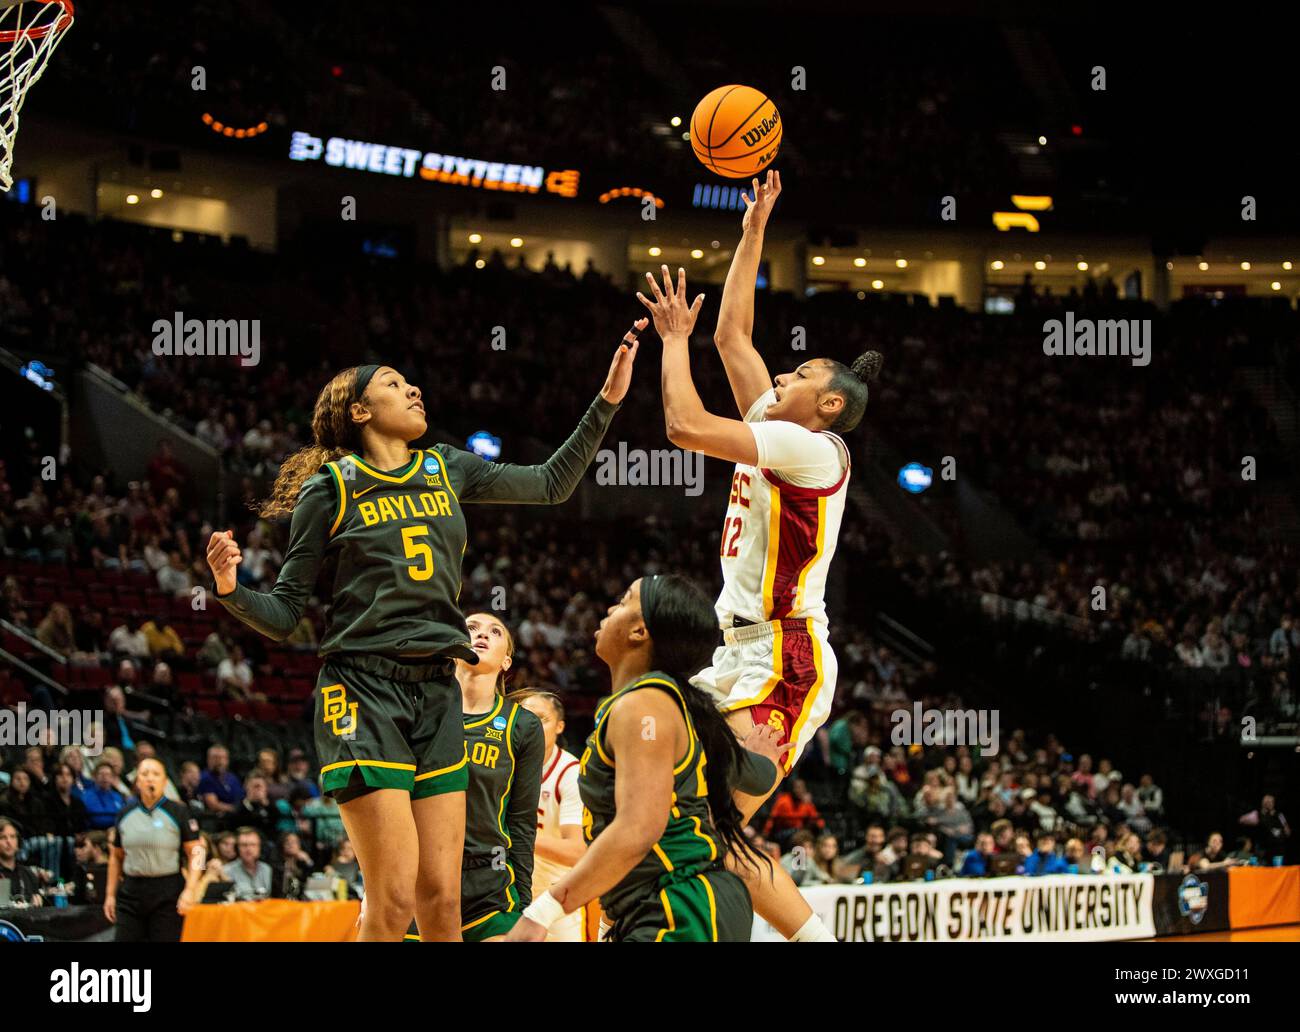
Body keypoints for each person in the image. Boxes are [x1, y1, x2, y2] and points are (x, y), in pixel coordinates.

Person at [209, 344, 638, 941]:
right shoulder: (331, 488)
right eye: (393, 383)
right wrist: (230, 587)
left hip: (436, 690)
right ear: (359, 411)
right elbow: (284, 614)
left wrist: (608, 400)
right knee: (391, 901)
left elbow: (550, 484)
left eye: (411, 383)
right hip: (363, 690)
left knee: (442, 897)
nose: (413, 390)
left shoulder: (447, 467)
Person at [636, 172, 881, 941]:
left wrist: (669, 342)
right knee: (678, 815)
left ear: (829, 404)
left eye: (799, 375)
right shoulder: (778, 425)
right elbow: (734, 339)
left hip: (787, 655)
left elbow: (681, 425)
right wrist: (753, 228)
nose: (780, 375)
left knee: (709, 831)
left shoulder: (810, 449)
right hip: (732, 650)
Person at [506, 575, 786, 942]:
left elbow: (639, 827)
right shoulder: (680, 707)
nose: (609, 608)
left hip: (679, 908)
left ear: (639, 631)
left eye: (623, 601)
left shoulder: (644, 706)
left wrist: (541, 913)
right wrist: (762, 758)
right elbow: (759, 776)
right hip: (681, 906)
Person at [404, 613, 544, 941]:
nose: (482, 634)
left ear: (506, 660)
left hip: (489, 883)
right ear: (453, 647)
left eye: (495, 632)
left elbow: (522, 822)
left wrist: (523, 903)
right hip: (418, 877)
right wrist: (374, 889)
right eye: (472, 628)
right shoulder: (416, 711)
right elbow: (386, 806)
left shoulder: (522, 726)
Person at [518, 690, 592, 942]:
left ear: (560, 726)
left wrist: (515, 833)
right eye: (525, 716)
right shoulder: (507, 764)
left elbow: (577, 852)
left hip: (557, 900)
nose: (532, 724)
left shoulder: (570, 774)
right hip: (511, 892)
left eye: (541, 718)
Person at [104, 758, 205, 942]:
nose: (150, 778)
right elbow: (116, 857)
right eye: (144, 774)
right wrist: (110, 895)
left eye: (156, 774)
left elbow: (198, 852)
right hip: (131, 891)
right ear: (137, 781)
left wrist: (190, 890)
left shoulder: (179, 812)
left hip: (167, 891)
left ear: (165, 781)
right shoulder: (125, 813)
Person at [0, 818, 44, 904]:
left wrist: (38, 902)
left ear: (18, 843)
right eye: (2, 837)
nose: (8, 841)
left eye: (12, 837)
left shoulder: (29, 874)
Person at [223, 827, 274, 900]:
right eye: (244, 845)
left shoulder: (267, 869)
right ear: (237, 848)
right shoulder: (226, 870)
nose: (248, 849)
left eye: (253, 845)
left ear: (260, 847)